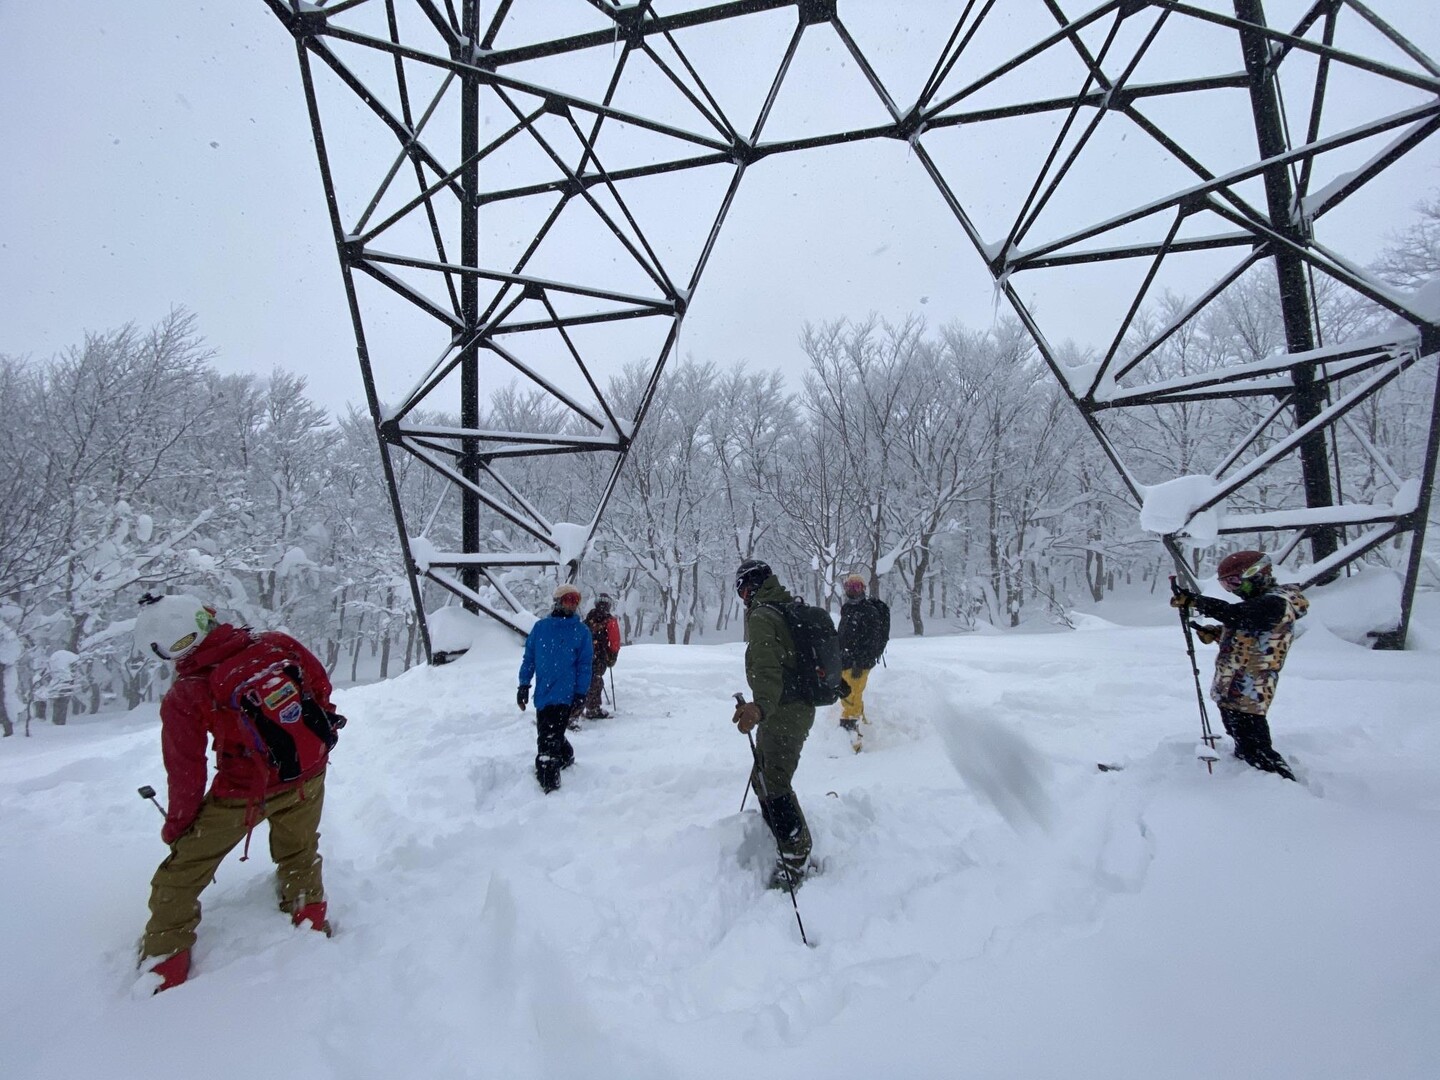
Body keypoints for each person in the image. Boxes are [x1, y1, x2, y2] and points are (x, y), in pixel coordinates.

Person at [133, 594, 342, 993]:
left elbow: (186, 772)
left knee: (179, 877)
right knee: (298, 849)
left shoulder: (187, 694)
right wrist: (308, 741)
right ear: (207, 618)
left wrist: (179, 828)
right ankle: (308, 917)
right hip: (307, 772)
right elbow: (318, 686)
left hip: (242, 793)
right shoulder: (277, 645)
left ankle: (165, 964)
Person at [1170, 550, 1307, 780]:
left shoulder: (1276, 602)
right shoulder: (1260, 604)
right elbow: (1251, 633)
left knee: (1255, 746)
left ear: (1257, 574)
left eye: (1234, 582)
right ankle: (1249, 777)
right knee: (1238, 735)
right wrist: (1217, 634)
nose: (1232, 589)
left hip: (1252, 686)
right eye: (1226, 585)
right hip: (1234, 683)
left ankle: (1279, 784)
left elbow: (1237, 615)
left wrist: (1197, 602)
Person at [731, 559, 816, 889]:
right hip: (789, 706)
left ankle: (796, 854)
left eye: (741, 590)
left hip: (785, 710)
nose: (741, 598)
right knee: (764, 776)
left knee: (774, 783)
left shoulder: (765, 615)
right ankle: (781, 835)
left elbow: (768, 668)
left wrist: (760, 707)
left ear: (750, 586)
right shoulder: (783, 607)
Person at [518, 583, 593, 793]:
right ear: (558, 601)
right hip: (543, 693)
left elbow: (585, 665)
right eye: (568, 600)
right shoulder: (541, 628)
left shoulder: (581, 631)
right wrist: (523, 684)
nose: (572, 605)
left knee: (547, 738)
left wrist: (580, 693)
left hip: (565, 694)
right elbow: (529, 659)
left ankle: (548, 778)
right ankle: (566, 755)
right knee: (550, 731)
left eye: (576, 601)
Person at [837, 572, 890, 744]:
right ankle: (859, 721)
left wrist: (860, 662)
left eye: (857, 586)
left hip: (859, 664)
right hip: (844, 661)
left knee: (851, 698)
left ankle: (852, 740)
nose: (853, 590)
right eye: (850, 586)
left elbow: (872, 640)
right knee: (850, 695)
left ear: (863, 589)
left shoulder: (869, 611)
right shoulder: (848, 609)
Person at [581, 593, 622, 719]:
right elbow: (615, 642)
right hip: (599, 654)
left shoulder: (588, 618)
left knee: (584, 679)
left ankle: (577, 708)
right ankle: (593, 709)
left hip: (584, 654)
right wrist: (612, 656)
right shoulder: (610, 620)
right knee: (596, 679)